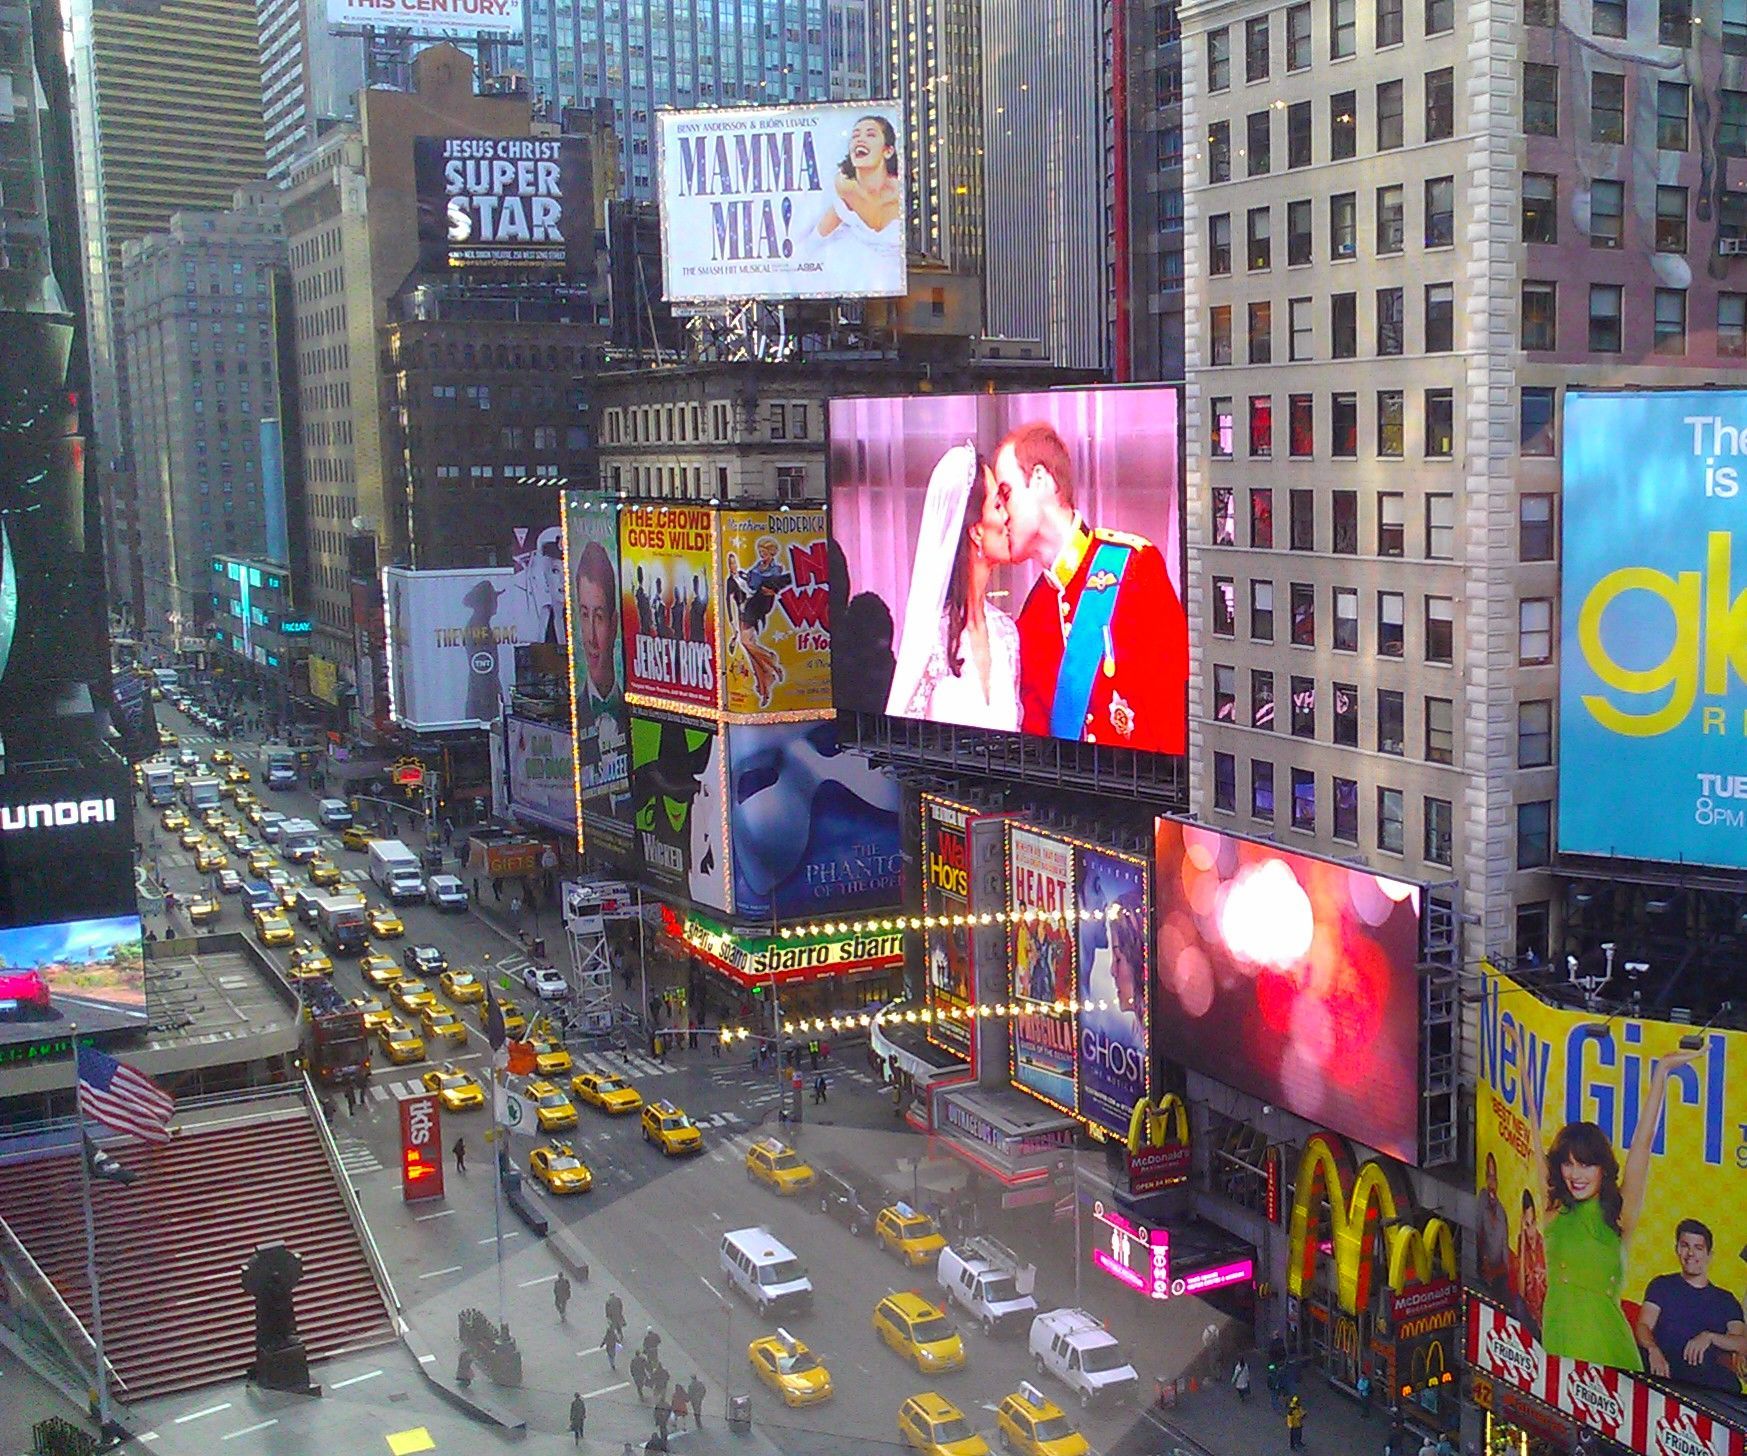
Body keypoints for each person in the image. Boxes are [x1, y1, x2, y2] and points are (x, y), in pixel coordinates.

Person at [996, 420, 1188, 753]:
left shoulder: (1132, 567)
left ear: (1041, 480)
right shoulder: (1034, 612)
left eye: (1006, 494)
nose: (1001, 514)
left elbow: (1177, 704)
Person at [1522, 1031, 1700, 1369]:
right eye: (1568, 1163)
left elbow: (1642, 1146)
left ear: (1603, 1169)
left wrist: (1661, 1073)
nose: (1576, 1174)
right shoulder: (1554, 1209)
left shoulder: (1618, 1215)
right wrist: (1522, 1061)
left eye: (1586, 1164)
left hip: (1610, 1353)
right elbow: (1533, 1134)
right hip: (1559, 1346)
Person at [887, 444, 1020, 730]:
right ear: (976, 529)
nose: (1008, 516)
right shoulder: (931, 638)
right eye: (998, 506)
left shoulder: (1007, 634)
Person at [1634, 1218, 1747, 1390]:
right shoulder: (1661, 1285)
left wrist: (1709, 1336)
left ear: (1709, 1255)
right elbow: (1643, 1325)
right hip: (1664, 1372)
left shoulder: (1726, 1300)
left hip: (1707, 1382)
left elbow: (1741, 1342)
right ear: (1677, 1249)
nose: (1691, 1254)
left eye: (1698, 1248)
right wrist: (1652, 1349)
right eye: (1685, 1246)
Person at [808, 114, 904, 294]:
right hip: (853, 284)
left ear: (888, 151)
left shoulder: (900, 194)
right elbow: (813, 241)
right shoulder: (844, 188)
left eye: (870, 134)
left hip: (901, 294)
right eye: (855, 135)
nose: (860, 139)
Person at [1477, 1152, 1511, 1299]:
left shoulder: (1502, 1214)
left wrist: (1494, 1272)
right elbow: (1478, 1233)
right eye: (1489, 1177)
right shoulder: (1483, 1198)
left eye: (1494, 1178)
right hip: (1480, 1271)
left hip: (1497, 1278)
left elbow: (1505, 1256)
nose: (1492, 1183)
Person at [1515, 1189, 1548, 1327]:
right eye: (1527, 1225)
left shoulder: (1545, 1245)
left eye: (1533, 1223)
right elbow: (1521, 1291)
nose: (1530, 1231)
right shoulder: (1522, 1243)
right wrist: (1522, 1244)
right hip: (1529, 1314)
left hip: (1546, 1313)